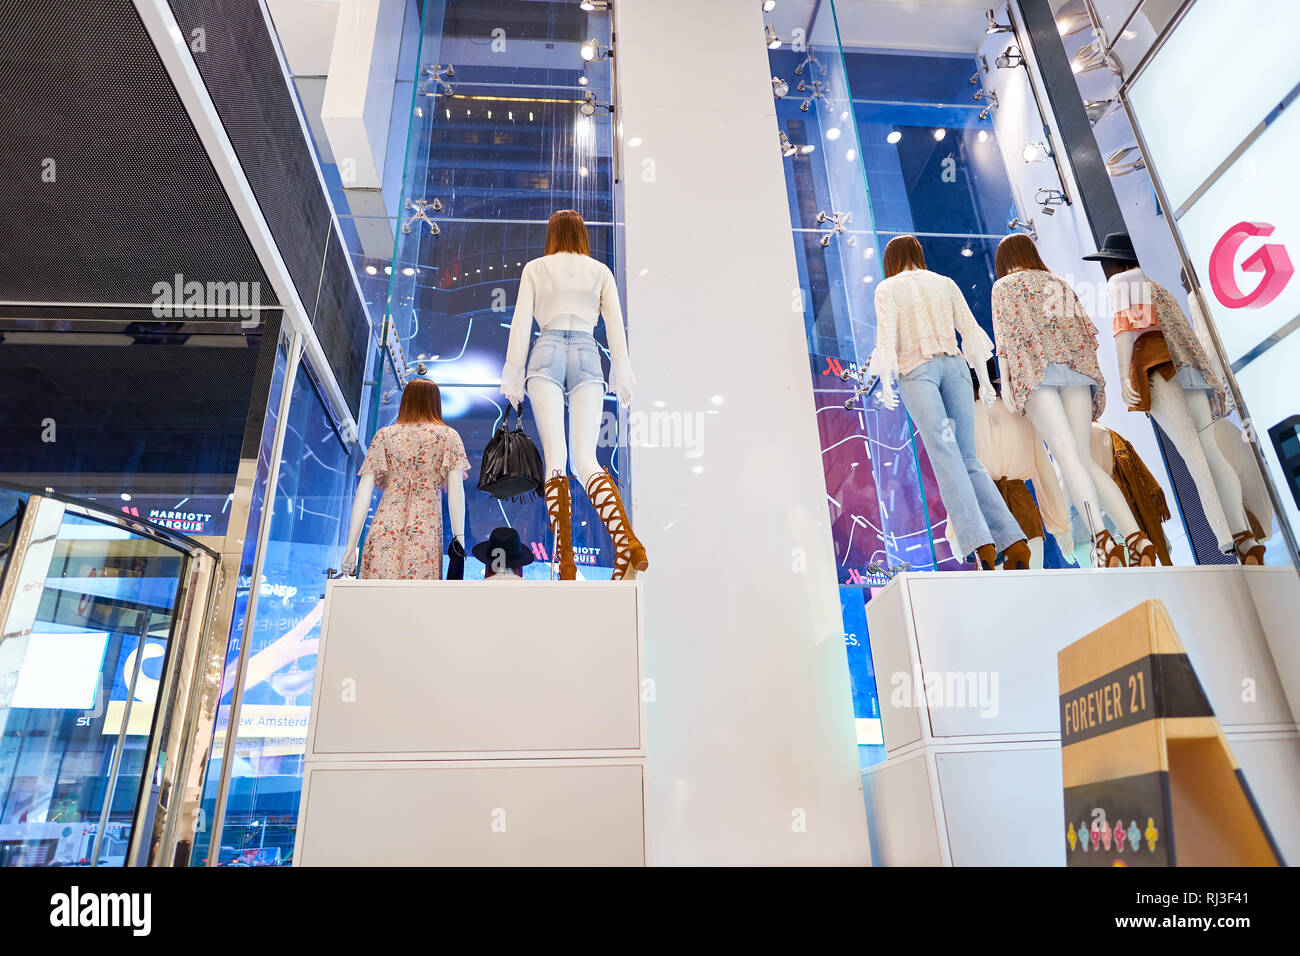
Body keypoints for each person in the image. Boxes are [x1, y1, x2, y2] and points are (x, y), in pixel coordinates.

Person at [1084, 232, 1263, 564]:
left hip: (1161, 373)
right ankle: (1244, 534)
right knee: (1209, 451)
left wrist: (1124, 375)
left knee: (1193, 454)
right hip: (1190, 370)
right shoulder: (1157, 287)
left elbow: (1126, 333)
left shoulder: (1122, 282)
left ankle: (1228, 536)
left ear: (1114, 261)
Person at [991, 232, 1157, 567]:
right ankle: (1138, 539)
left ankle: (1101, 538)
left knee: (1066, 455)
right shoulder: (1057, 283)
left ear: (1005, 260)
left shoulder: (1004, 287)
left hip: (1037, 374)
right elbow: (1083, 332)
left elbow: (1005, 341)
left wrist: (1007, 388)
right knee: (1084, 460)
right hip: (1077, 372)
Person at [501, 209, 647, 581]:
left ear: (552, 234)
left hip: (546, 348)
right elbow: (615, 324)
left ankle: (565, 560)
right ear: (582, 234)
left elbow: (520, 321)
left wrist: (514, 376)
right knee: (587, 460)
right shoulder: (600, 271)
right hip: (587, 352)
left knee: (557, 460)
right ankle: (627, 542)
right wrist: (622, 369)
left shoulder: (536, 267)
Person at [870, 234, 1031, 570]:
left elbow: (886, 339)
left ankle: (980, 545)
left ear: (891, 260)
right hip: (956, 367)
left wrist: (886, 384)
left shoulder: (887, 288)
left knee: (946, 459)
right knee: (968, 458)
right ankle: (1014, 542)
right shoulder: (944, 281)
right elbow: (970, 330)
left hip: (917, 370)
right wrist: (984, 381)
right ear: (918, 253)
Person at [341, 377, 470, 579]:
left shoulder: (385, 436)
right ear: (435, 402)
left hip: (384, 528)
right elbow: (456, 493)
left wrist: (351, 546)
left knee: (376, 603)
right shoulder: (448, 437)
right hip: (424, 531)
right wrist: (459, 539)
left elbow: (363, 493)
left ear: (405, 401)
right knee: (417, 604)